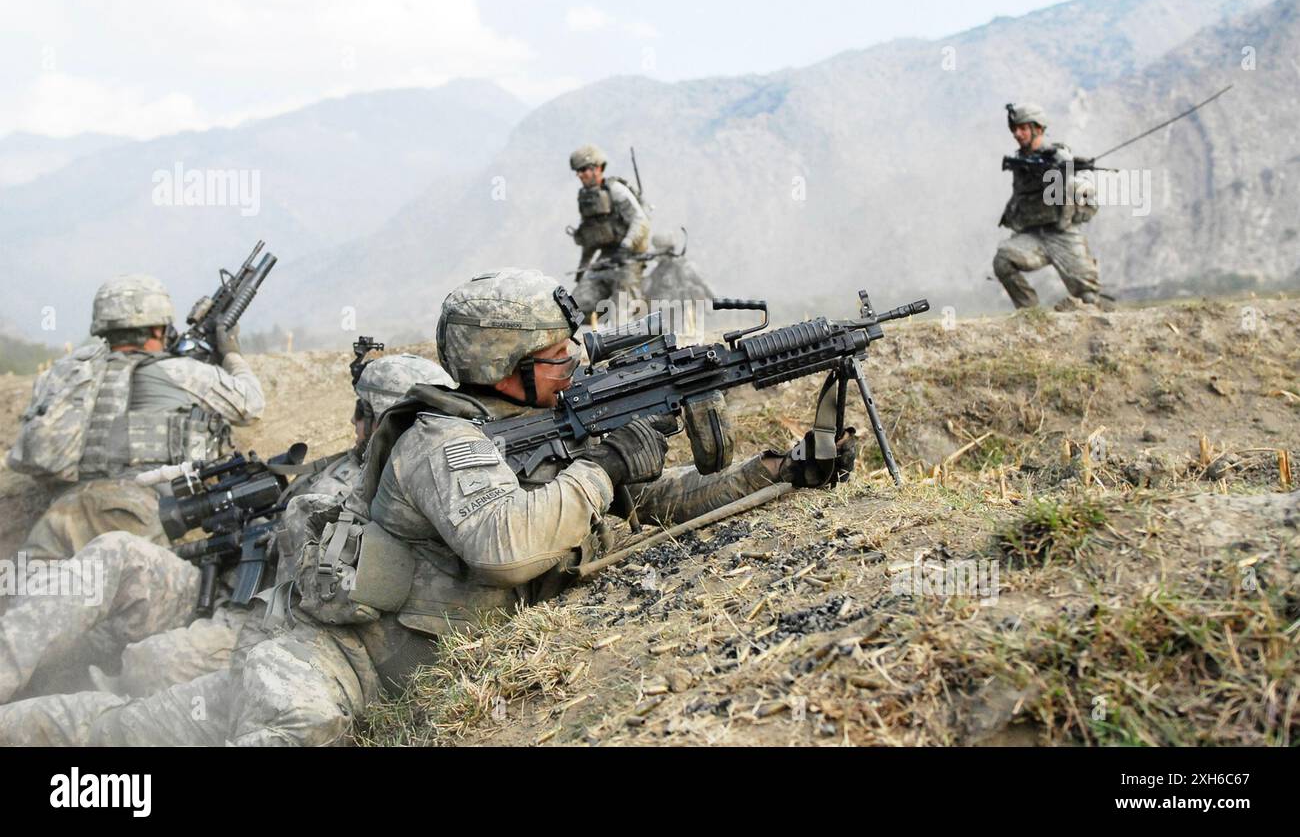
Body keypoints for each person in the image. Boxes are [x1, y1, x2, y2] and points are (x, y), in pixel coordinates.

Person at [0, 269, 853, 746]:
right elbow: (509, 545)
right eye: (558, 355)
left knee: (116, 720)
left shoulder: (542, 424)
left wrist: (769, 471)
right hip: (324, 665)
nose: (576, 364)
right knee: (110, 740)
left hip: (386, 667)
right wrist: (600, 467)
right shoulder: (441, 439)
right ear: (504, 360)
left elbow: (651, 503)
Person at [0, 353, 448, 710]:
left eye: (361, 411)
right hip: (223, 588)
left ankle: (55, 714)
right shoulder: (340, 464)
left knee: (151, 663)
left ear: (384, 416)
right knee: (116, 551)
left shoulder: (397, 489)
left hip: (267, 622)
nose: (353, 421)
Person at [9, 275, 264, 559]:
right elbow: (251, 406)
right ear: (158, 329)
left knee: (35, 596)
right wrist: (231, 354)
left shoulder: (62, 374)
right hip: (135, 514)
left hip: (61, 513)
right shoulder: (180, 371)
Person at [992, 103, 1107, 311]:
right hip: (1033, 236)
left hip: (1062, 235)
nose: (1017, 134)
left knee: (1089, 297)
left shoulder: (1058, 157)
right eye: (1014, 129)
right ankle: (1030, 313)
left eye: (1023, 128)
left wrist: (1065, 172)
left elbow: (1085, 193)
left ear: (1038, 129)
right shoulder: (1020, 161)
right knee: (1003, 261)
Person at [567, 144, 652, 320]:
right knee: (573, 308)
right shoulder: (586, 197)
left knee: (621, 314)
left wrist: (625, 247)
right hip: (605, 260)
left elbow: (640, 220)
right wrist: (582, 272)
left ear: (597, 168)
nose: (579, 175)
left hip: (629, 260)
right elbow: (590, 238)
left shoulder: (615, 190)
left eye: (583, 170)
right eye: (577, 171)